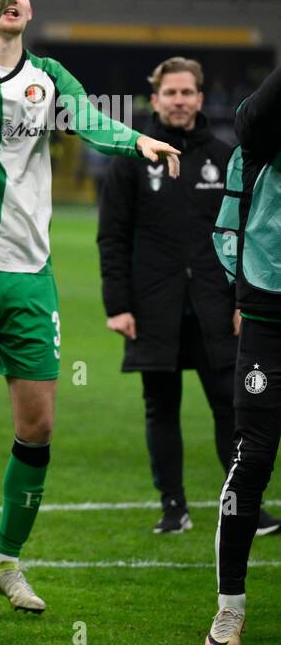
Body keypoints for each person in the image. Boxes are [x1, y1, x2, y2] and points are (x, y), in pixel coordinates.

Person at [0, 0, 182, 619]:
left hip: (30, 275)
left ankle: (5, 563)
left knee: (40, 424)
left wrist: (136, 139)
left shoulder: (49, 76)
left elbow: (88, 119)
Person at [98, 57, 278, 535]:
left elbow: (248, 233)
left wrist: (245, 298)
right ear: (154, 100)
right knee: (161, 407)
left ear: (200, 98)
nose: (179, 101)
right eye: (170, 93)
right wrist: (117, 305)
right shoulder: (131, 160)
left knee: (230, 406)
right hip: (153, 306)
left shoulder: (227, 156)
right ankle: (173, 508)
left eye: (187, 93)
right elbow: (112, 237)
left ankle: (246, 506)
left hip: (217, 306)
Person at [204, 63, 281, 645]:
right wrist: (242, 293)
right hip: (267, 319)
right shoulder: (256, 141)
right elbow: (226, 230)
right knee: (252, 458)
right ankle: (230, 606)